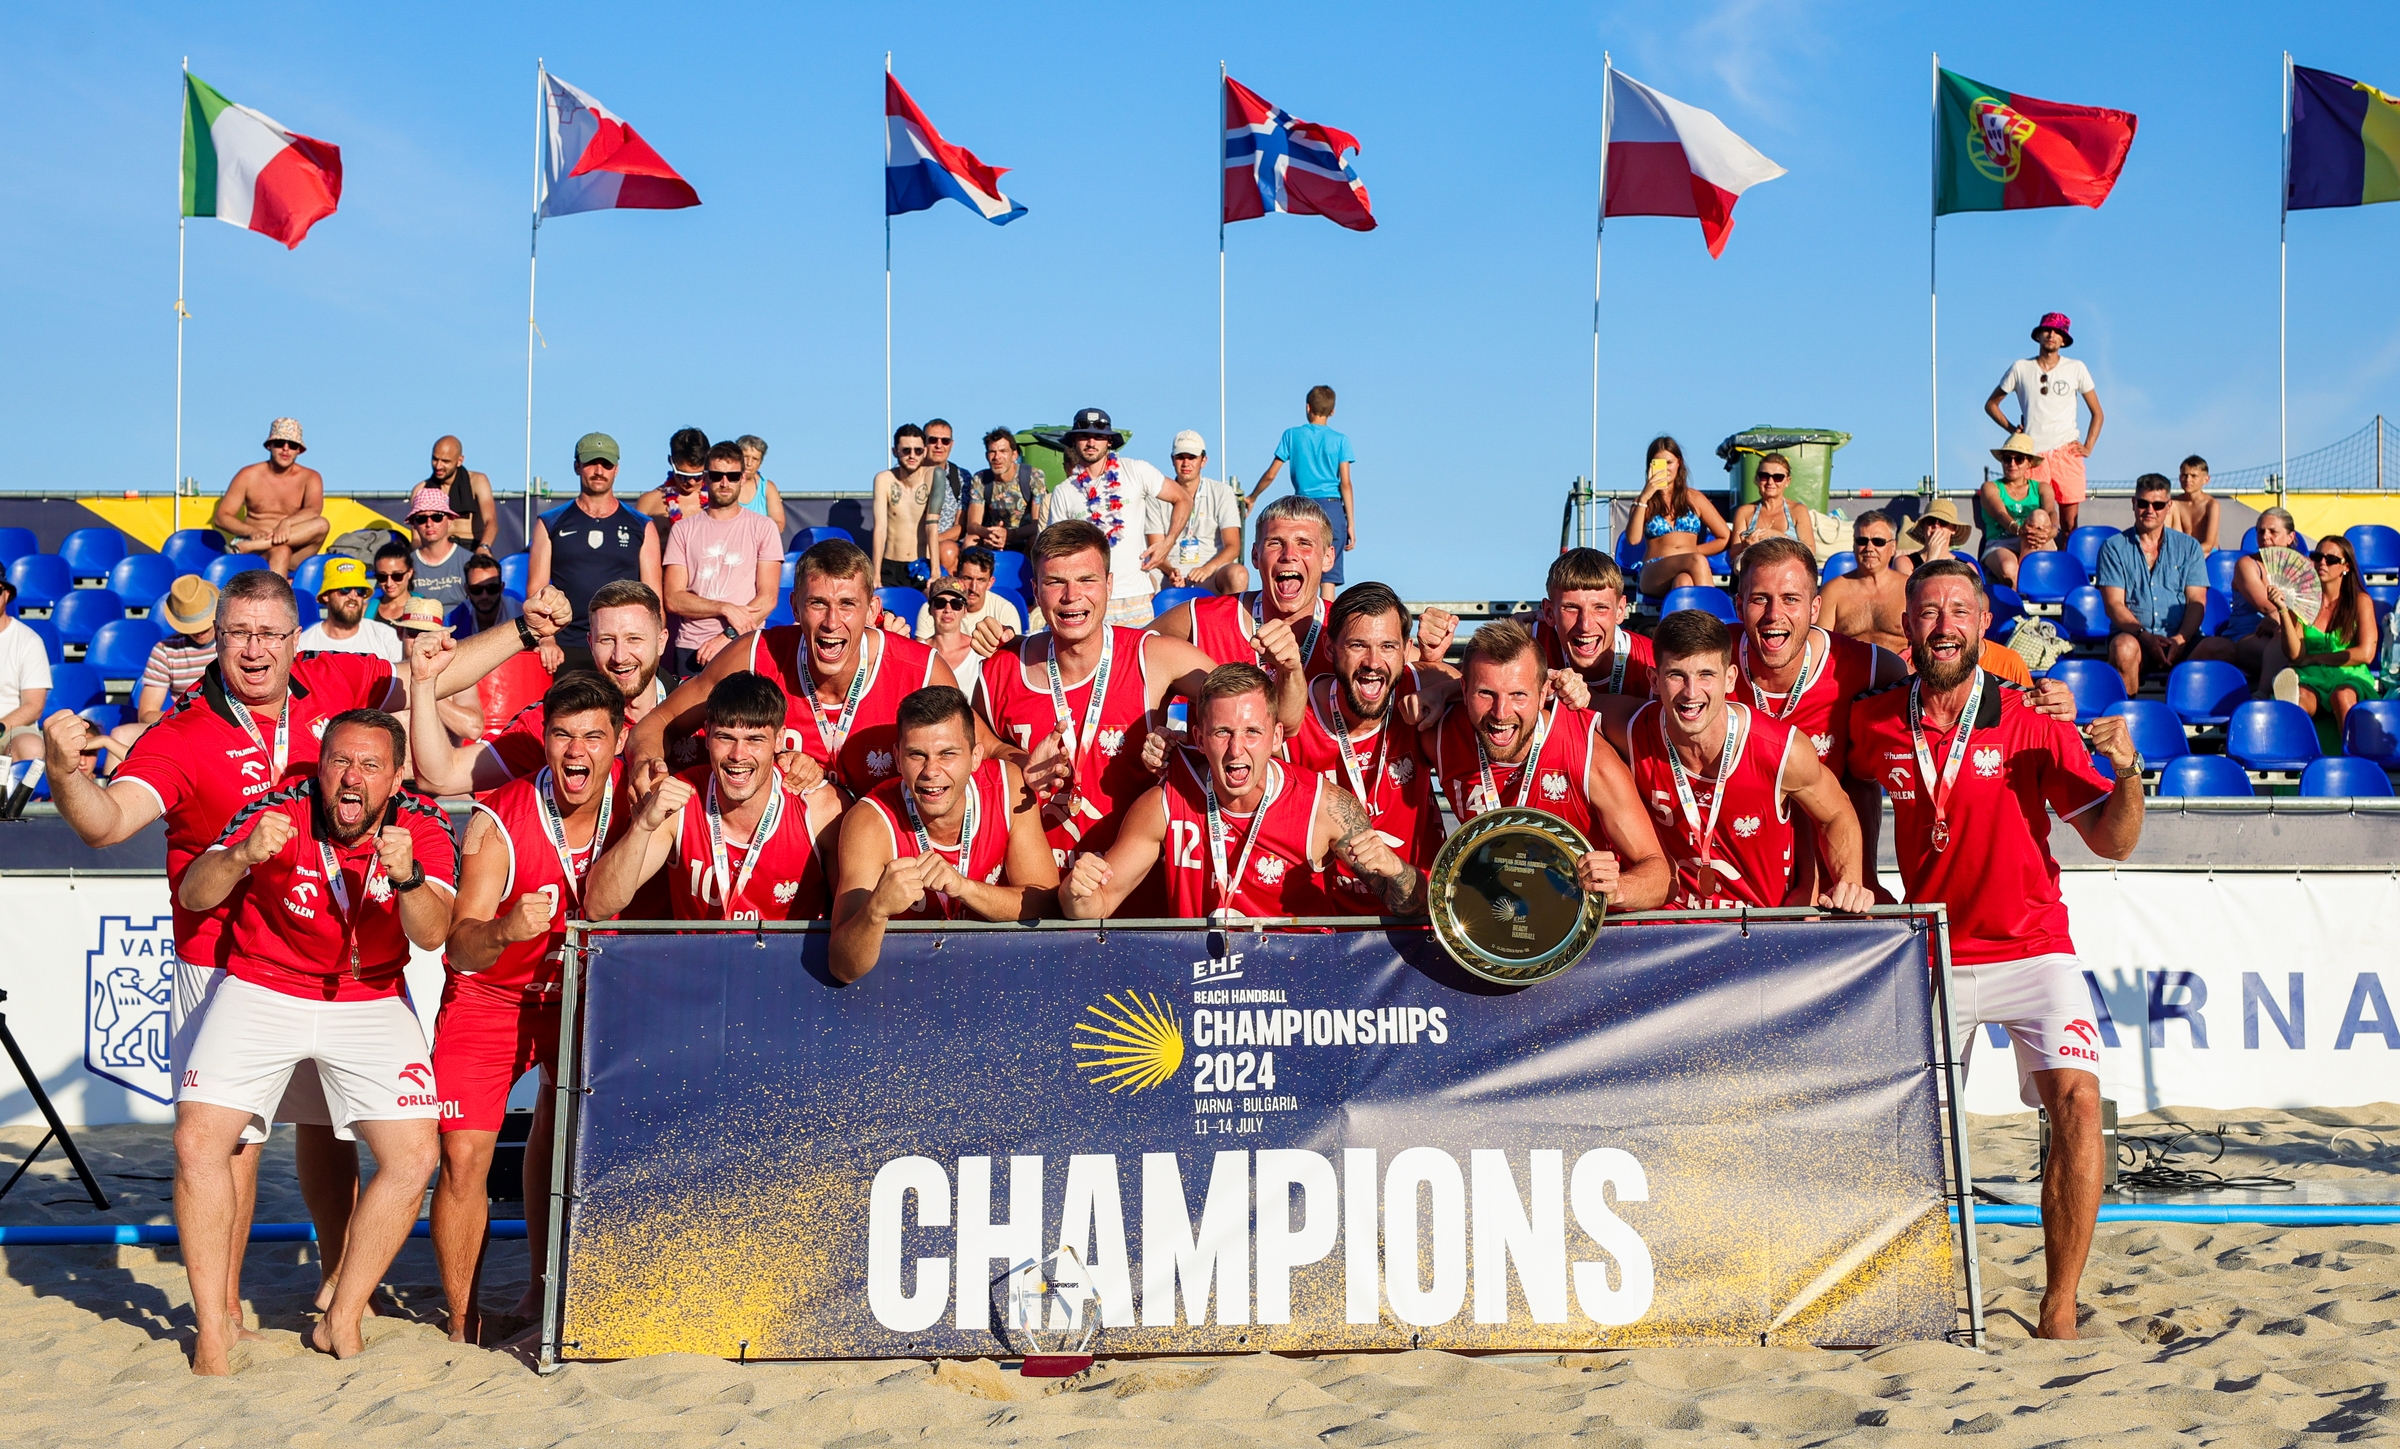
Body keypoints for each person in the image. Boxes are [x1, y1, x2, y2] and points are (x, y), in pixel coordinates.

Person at [41, 570, 561, 1356]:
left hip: (341, 965)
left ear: (295, 638)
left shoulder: (337, 678)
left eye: (268, 635)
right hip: (219, 952)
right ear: (214, 638)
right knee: (233, 1140)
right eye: (237, 633)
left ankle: (332, 1279)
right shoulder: (184, 731)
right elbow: (108, 824)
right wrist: (66, 776)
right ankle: (220, 1310)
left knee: (331, 1127)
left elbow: (434, 674)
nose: (253, 651)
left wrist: (521, 633)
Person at [1848, 559, 2144, 1340]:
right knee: (1909, 1128)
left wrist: (2128, 771)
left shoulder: (2031, 720)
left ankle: (2059, 1303)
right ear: (1906, 627)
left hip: (2033, 946)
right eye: (1928, 612)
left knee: (2080, 1104)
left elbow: (2114, 842)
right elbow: (1829, 791)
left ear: (1983, 624)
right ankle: (1907, 1292)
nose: (1944, 625)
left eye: (1959, 611)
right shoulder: (1874, 722)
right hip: (1934, 949)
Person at [173, 709, 456, 1371]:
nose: (351, 778)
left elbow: (433, 933)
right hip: (263, 983)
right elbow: (194, 892)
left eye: (370, 765)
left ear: (395, 778)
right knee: (197, 1140)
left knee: (414, 1156)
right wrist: (240, 855)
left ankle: (342, 1313)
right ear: (319, 765)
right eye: (340, 762)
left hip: (370, 993)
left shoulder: (423, 823)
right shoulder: (277, 807)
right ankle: (215, 1329)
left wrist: (408, 876)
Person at [428, 673, 630, 1346]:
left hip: (587, 995)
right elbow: (460, 944)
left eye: (593, 736)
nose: (577, 751)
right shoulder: (497, 819)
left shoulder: (638, 802)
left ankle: (559, 1289)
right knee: (463, 1156)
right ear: (544, 740)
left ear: (617, 741)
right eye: (564, 735)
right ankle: (461, 1322)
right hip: (495, 995)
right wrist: (507, 929)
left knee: (597, 1149)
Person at [638, 539, 982, 848]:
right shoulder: (755, 655)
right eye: (818, 604)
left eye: (848, 604)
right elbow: (658, 723)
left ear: (873, 610)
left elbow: (984, 751)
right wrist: (646, 767)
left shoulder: (920, 670)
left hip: (890, 857)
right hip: (783, 862)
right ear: (795, 606)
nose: (832, 622)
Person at [978, 521, 1277, 876]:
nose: (1072, 596)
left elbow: (1252, 713)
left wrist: (1182, 751)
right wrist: (1018, 760)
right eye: (1055, 582)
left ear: (1108, 585)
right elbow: (975, 741)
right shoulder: (1001, 668)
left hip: (1131, 893)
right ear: (1036, 590)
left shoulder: (1153, 657)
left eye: (1087, 580)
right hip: (1033, 893)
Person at [1064, 663, 1410, 920]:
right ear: (1199, 738)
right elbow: (1099, 903)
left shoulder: (1324, 806)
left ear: (1276, 737)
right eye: (1222, 733)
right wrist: (1075, 893)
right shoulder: (1166, 804)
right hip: (1201, 995)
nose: (1236, 749)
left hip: (1295, 998)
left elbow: (1410, 906)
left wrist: (1397, 872)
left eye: (1252, 732)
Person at [1608, 609, 1872, 911]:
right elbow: (1566, 708)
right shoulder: (1630, 726)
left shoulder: (1780, 748)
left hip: (1760, 931)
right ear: (1654, 680)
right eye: (1676, 675)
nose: (1691, 692)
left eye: (1706, 674)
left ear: (1730, 678)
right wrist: (1569, 684)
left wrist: (1849, 880)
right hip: (1672, 934)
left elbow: (1837, 812)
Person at [1426, 619, 1672, 911]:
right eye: (1486, 693)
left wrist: (1618, 887)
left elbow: (1662, 877)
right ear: (1464, 689)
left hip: (1576, 928)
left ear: (1544, 692)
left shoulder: (1587, 755)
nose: (1501, 712)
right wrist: (1433, 678)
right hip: (1495, 920)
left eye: (1518, 694)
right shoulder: (1439, 735)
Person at [829, 686, 1059, 982]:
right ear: (897, 759)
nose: (931, 771)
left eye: (947, 754)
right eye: (917, 755)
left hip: (997, 973)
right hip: (904, 980)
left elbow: (1047, 902)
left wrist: (964, 888)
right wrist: (876, 910)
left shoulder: (1008, 785)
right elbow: (843, 967)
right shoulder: (869, 821)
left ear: (976, 757)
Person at [1723, 537, 1906, 900]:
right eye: (1761, 599)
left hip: (1838, 889)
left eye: (1791, 599)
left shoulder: (1869, 668)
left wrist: (2043, 699)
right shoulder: (1708, 661)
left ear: (1814, 607)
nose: (1775, 614)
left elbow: (1944, 701)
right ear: (1740, 604)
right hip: (1741, 890)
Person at [587, 671, 845, 924]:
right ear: (707, 735)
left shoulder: (821, 809)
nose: (738, 755)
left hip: (786, 966)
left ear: (779, 740)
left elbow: (850, 925)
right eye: (726, 737)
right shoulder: (680, 799)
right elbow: (598, 907)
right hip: (697, 965)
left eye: (755, 740)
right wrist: (643, 825)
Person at [411, 580, 673, 796]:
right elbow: (441, 778)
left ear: (661, 642)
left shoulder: (697, 706)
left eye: (634, 639)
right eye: (607, 640)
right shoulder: (556, 719)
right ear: (591, 643)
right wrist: (423, 684)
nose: (620, 655)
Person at [1283, 584, 1449, 907]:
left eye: (1388, 646)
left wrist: (1448, 691)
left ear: (1406, 650)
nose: (1373, 662)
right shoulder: (1295, 719)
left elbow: (1491, 693)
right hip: (1328, 931)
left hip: (1419, 916)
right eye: (1359, 645)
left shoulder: (1419, 689)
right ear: (1330, 649)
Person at [1150, 496, 1338, 677]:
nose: (1289, 554)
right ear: (1255, 556)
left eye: (1304, 543)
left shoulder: (1345, 630)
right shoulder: (1204, 619)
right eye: (1275, 543)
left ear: (1328, 558)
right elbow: (1128, 650)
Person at [1041, 407, 1191, 627]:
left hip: (1135, 595)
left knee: (1136, 660)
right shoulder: (1065, 491)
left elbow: (1183, 498)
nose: (1091, 442)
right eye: (1084, 436)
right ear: (1074, 442)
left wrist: (1167, 544)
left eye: (1099, 436)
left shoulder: (1135, 470)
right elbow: (1055, 550)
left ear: (1109, 442)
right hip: (1087, 598)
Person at [526, 433, 664, 671]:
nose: (599, 470)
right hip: (565, 647)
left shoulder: (641, 526)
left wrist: (651, 649)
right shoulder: (550, 523)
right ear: (577, 466)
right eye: (591, 462)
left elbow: (654, 599)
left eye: (606, 464)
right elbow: (536, 589)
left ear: (616, 469)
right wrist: (547, 639)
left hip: (621, 648)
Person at [661, 440, 784, 681]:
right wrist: (724, 607)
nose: (724, 482)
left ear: (743, 478)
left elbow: (768, 598)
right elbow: (674, 599)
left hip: (744, 644)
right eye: (717, 475)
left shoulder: (764, 527)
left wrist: (727, 636)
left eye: (732, 476)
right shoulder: (683, 530)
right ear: (706, 477)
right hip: (693, 647)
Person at [1986, 313, 2104, 537]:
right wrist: (2013, 429)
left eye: (2058, 332)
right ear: (2038, 335)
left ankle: (2068, 568)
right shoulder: (2021, 367)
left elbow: (2097, 413)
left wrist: (2088, 446)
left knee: (2069, 524)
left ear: (2063, 340)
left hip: (2066, 451)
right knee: (2038, 520)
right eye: (2047, 330)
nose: (2051, 335)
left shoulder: (2076, 368)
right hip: (2033, 453)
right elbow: (1991, 404)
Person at [2096, 473, 2210, 695]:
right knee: (2123, 649)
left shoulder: (2190, 547)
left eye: (2158, 504)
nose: (2150, 510)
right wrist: (2144, 636)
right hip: (2136, 638)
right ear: (2133, 503)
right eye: (2143, 503)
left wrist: (2180, 639)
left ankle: (2181, 709)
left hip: (2182, 639)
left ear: (2169, 506)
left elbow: (2197, 601)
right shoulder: (2113, 547)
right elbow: (2114, 605)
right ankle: (2127, 714)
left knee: (2223, 650)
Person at [2264, 534, 2382, 747]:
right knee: (2299, 699)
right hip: (2313, 676)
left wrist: (2314, 658)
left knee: (2342, 695)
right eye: (2317, 557)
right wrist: (2283, 610)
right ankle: (2294, 758)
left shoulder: (2360, 601)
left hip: (2349, 673)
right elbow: (2295, 655)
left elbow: (2366, 653)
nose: (2322, 563)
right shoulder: (2301, 601)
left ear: (2346, 567)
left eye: (2331, 559)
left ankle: (2353, 759)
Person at [1245, 386, 1357, 593]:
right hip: (1333, 508)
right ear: (1332, 411)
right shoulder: (1341, 440)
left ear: (1308, 407)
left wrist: (1253, 496)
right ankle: (1326, 624)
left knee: (1301, 568)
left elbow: (1271, 473)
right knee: (1327, 577)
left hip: (1303, 509)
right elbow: (1346, 483)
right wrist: (1350, 522)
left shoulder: (1292, 435)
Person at [2191, 507, 2299, 682]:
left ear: (2290, 537)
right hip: (2249, 634)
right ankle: (2266, 693)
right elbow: (2266, 606)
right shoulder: (2246, 565)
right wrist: (2278, 618)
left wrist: (2278, 620)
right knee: (2285, 644)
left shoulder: (2303, 567)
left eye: (2273, 532)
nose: (2265, 536)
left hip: (2287, 630)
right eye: (2261, 531)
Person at [213, 418, 329, 575]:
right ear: (270, 446)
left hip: (293, 549)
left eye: (292, 445)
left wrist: (286, 523)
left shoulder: (311, 477)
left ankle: (252, 546)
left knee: (322, 524)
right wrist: (251, 531)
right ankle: (278, 598)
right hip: (256, 550)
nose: (286, 449)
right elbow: (222, 517)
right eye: (280, 443)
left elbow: (314, 510)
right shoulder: (248, 475)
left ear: (299, 450)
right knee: (281, 551)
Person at [1529, 549, 1652, 695]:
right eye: (1571, 608)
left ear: (1620, 610)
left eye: (1600, 608)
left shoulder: (1649, 661)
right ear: (1549, 613)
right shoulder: (1528, 645)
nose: (1585, 625)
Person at [1625, 436, 1730, 598]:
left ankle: (1679, 623)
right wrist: (1645, 497)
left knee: (1684, 582)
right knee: (1697, 560)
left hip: (1688, 567)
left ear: (1679, 463)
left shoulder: (1694, 498)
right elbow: (1632, 539)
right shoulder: (1643, 502)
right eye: (1658, 463)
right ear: (1650, 466)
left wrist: (1693, 551)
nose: (1665, 469)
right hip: (1654, 570)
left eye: (1669, 463)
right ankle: (1714, 615)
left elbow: (1724, 536)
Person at [1152, 431, 1246, 594]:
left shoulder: (1222, 491)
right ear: (1172, 459)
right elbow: (1155, 547)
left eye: (1192, 457)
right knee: (1140, 578)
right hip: (1168, 574)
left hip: (1210, 574)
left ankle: (1233, 619)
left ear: (1204, 460)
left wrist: (1208, 568)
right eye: (1181, 457)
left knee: (1238, 574)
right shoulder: (1156, 496)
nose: (1186, 463)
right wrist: (1171, 571)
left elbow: (1233, 546)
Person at [1821, 511, 1909, 655]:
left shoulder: (1908, 589)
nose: (1869, 548)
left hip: (1903, 674)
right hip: (1848, 674)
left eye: (1878, 542)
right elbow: (1821, 647)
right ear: (1854, 545)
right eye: (1862, 541)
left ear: (1893, 547)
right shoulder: (1832, 592)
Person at [135, 576, 219, 725]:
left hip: (229, 723)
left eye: (203, 626)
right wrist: (189, 719)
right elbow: (146, 714)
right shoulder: (165, 651)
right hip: (186, 725)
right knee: (121, 734)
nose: (198, 631)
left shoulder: (235, 642)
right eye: (192, 626)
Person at [1977, 435, 2058, 588]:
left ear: (2029, 463)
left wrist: (2052, 531)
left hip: (2037, 541)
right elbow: (1999, 513)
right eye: (2007, 458)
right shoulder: (1991, 487)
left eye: (2019, 459)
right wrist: (2019, 530)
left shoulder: (2042, 488)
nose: (2012, 464)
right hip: (2001, 542)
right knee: (2009, 569)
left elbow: (2051, 512)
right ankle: (2017, 606)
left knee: (2039, 516)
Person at [869, 424, 939, 590]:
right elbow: (880, 528)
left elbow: (932, 526)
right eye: (906, 450)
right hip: (890, 564)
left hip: (921, 564)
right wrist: (875, 573)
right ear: (895, 451)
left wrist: (936, 571)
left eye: (918, 450)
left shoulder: (933, 476)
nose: (912, 456)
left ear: (925, 451)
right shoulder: (884, 480)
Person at [297, 557, 403, 664]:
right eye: (345, 589)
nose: (353, 596)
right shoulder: (304, 645)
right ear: (326, 595)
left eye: (360, 590)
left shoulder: (385, 636)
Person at [1727, 453, 1818, 576]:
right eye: (1764, 476)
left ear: (1787, 481)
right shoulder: (1745, 512)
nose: (1770, 482)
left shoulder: (1798, 510)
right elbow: (1734, 553)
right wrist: (1746, 545)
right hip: (1755, 574)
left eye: (1778, 477)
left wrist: (1777, 536)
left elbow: (1810, 550)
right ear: (1757, 479)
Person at [912, 546, 1021, 642]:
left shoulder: (1005, 611)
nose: (973, 588)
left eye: (981, 580)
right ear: (956, 577)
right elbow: (922, 657)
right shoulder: (935, 608)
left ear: (990, 583)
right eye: (967, 578)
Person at [965, 427, 1043, 558]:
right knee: (970, 541)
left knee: (1037, 540)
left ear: (1014, 455)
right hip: (991, 539)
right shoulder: (980, 479)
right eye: (992, 452)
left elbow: (1038, 524)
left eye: (1003, 451)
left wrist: (1010, 535)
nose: (997, 457)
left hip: (1023, 540)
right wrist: (989, 533)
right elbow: (972, 525)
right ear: (986, 456)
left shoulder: (1033, 476)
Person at [0, 577, 51, 763]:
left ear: (6, 594)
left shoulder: (29, 641)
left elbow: (33, 705)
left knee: (31, 747)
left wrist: (1, 727)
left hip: (9, 729)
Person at [634, 426, 711, 540]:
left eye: (698, 476)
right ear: (671, 461)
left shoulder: (719, 500)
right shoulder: (649, 503)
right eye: (683, 476)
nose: (691, 482)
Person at [404, 486, 471, 612]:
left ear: (450, 520)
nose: (429, 523)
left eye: (437, 517)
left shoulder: (469, 561)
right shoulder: (405, 565)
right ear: (414, 524)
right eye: (421, 518)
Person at [922, 419, 975, 577]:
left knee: (947, 551)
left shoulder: (962, 477)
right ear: (923, 443)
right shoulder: (908, 474)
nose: (939, 445)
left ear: (951, 444)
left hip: (945, 543)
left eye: (945, 441)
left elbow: (961, 525)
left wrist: (935, 540)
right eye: (933, 440)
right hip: (912, 543)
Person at [426, 436, 497, 553]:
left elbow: (491, 522)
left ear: (460, 461)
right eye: (435, 459)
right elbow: (417, 538)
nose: (438, 466)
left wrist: (483, 547)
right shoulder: (421, 489)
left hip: (471, 546)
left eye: (445, 461)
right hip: (437, 550)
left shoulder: (478, 481)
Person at [921, 576, 985, 703]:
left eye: (956, 604)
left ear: (965, 611)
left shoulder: (979, 652)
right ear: (930, 609)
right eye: (940, 603)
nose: (948, 610)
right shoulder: (918, 652)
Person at [446, 554, 525, 640]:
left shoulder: (520, 616)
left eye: (491, 588)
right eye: (476, 589)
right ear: (467, 590)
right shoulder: (454, 619)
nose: (484, 596)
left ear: (501, 588)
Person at [732, 434, 789, 538]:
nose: (749, 463)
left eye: (755, 459)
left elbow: (778, 523)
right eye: (745, 457)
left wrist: (755, 536)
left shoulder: (768, 487)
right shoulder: (723, 483)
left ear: (760, 463)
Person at [1905, 498, 1976, 573]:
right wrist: (1931, 557)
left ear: (1953, 529)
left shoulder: (1967, 568)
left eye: (1943, 522)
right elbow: (1912, 585)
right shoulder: (1907, 562)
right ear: (1924, 527)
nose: (1936, 525)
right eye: (1931, 521)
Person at [2167, 455, 2220, 552]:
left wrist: (2189, 555)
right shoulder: (2173, 504)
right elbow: (2167, 538)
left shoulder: (2211, 504)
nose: (2188, 480)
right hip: (2181, 552)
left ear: (2206, 479)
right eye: (2184, 475)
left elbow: (2209, 544)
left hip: (2206, 553)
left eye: (2194, 476)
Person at [370, 542, 418, 626]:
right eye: (382, 576)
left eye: (397, 576)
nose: (389, 583)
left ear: (410, 573)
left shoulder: (426, 609)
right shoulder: (365, 612)